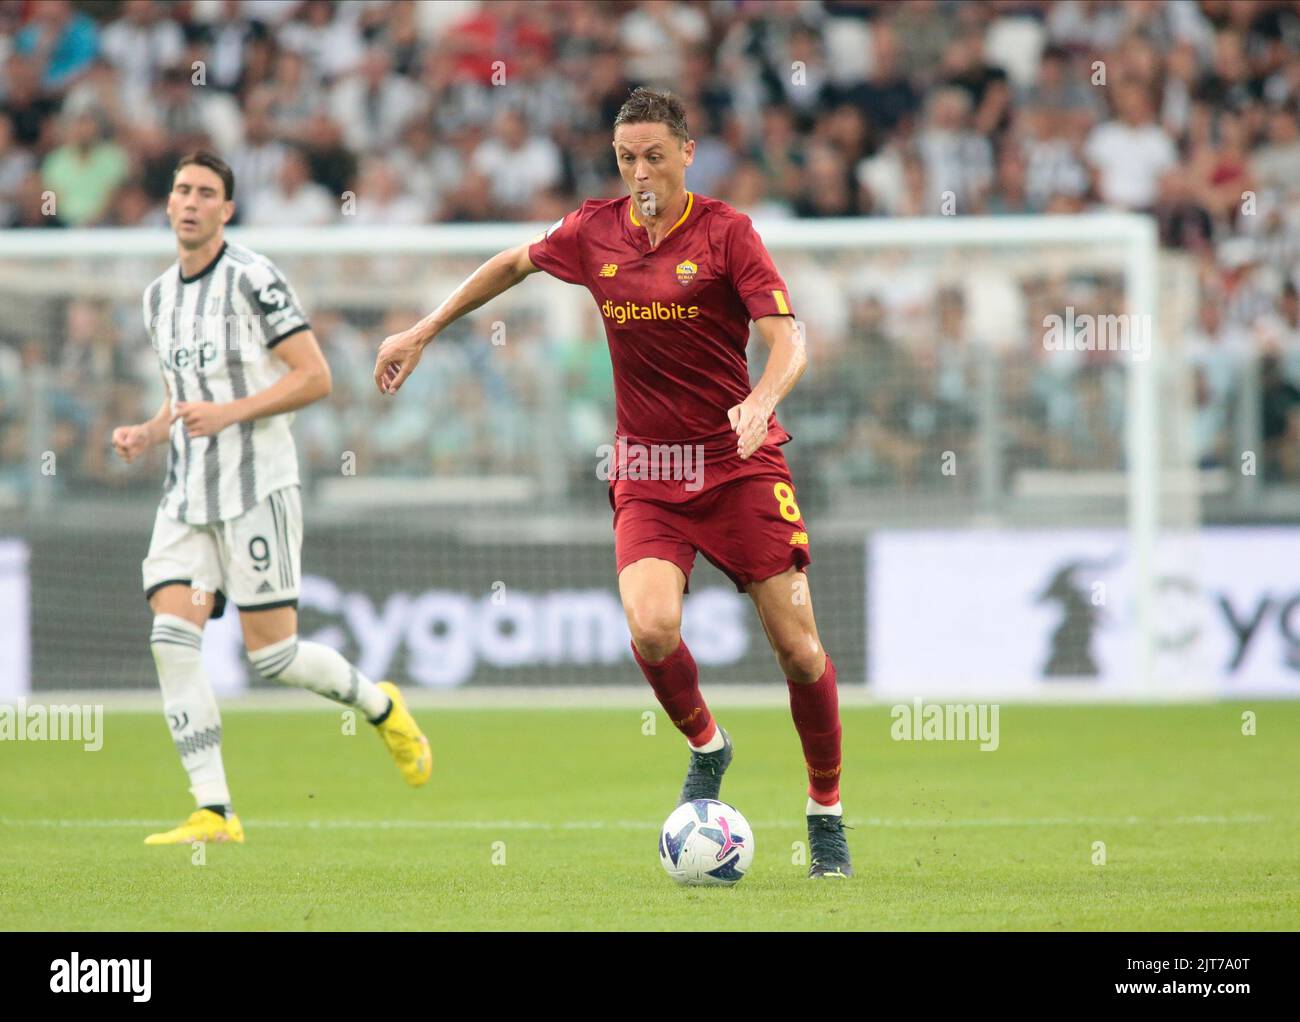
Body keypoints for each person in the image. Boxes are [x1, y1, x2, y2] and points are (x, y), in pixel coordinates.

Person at [374, 88, 851, 878]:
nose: (639, 172)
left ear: (687, 154)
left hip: (738, 465)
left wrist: (762, 399)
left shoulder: (729, 232)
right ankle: (709, 743)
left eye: (654, 156)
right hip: (649, 469)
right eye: (626, 158)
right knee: (653, 628)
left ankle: (826, 813)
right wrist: (423, 330)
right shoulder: (595, 230)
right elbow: (511, 264)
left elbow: (788, 336)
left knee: (799, 652)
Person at [112, 151, 431, 846]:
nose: (191, 202)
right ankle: (215, 811)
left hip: (257, 485)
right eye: (182, 190)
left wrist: (231, 414)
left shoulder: (254, 279)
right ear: (168, 205)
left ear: (226, 210)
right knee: (171, 638)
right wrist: (150, 430)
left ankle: (381, 707)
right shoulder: (158, 296)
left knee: (273, 656)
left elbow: (314, 377)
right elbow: (181, 394)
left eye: (207, 193)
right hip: (188, 493)